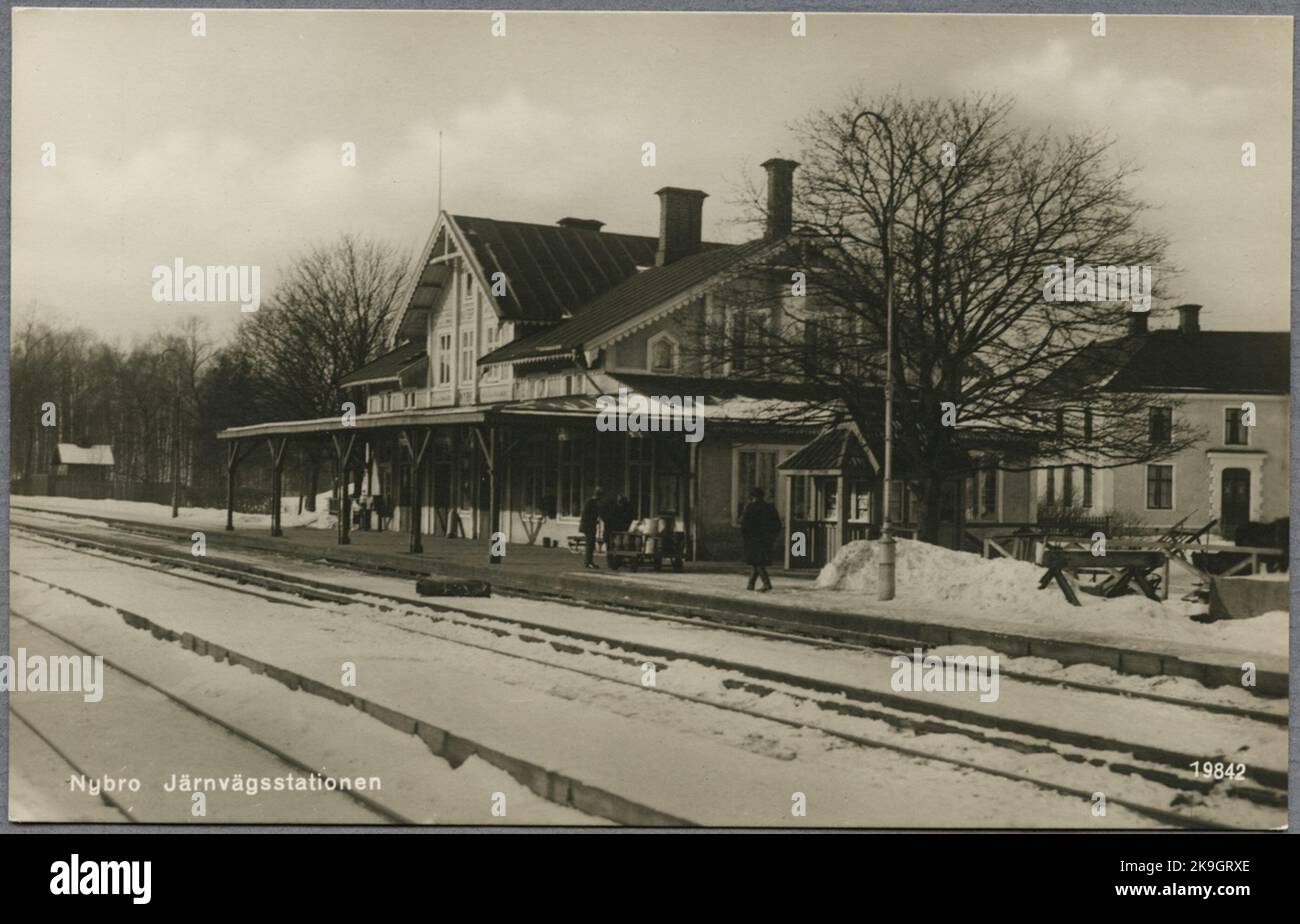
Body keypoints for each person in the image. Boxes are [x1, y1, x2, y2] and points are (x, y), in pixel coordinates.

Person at [740, 485, 782, 592]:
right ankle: (750, 585)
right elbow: (777, 525)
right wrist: (772, 537)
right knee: (757, 562)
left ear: (753, 497)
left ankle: (766, 584)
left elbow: (744, 525)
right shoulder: (770, 508)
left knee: (758, 563)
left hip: (753, 540)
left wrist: (746, 537)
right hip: (767, 540)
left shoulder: (751, 508)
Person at [579, 487, 604, 569]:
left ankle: (589, 561)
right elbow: (586, 515)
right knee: (590, 544)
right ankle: (588, 562)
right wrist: (593, 521)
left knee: (591, 544)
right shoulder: (591, 502)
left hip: (590, 526)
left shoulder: (594, 502)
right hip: (588, 526)